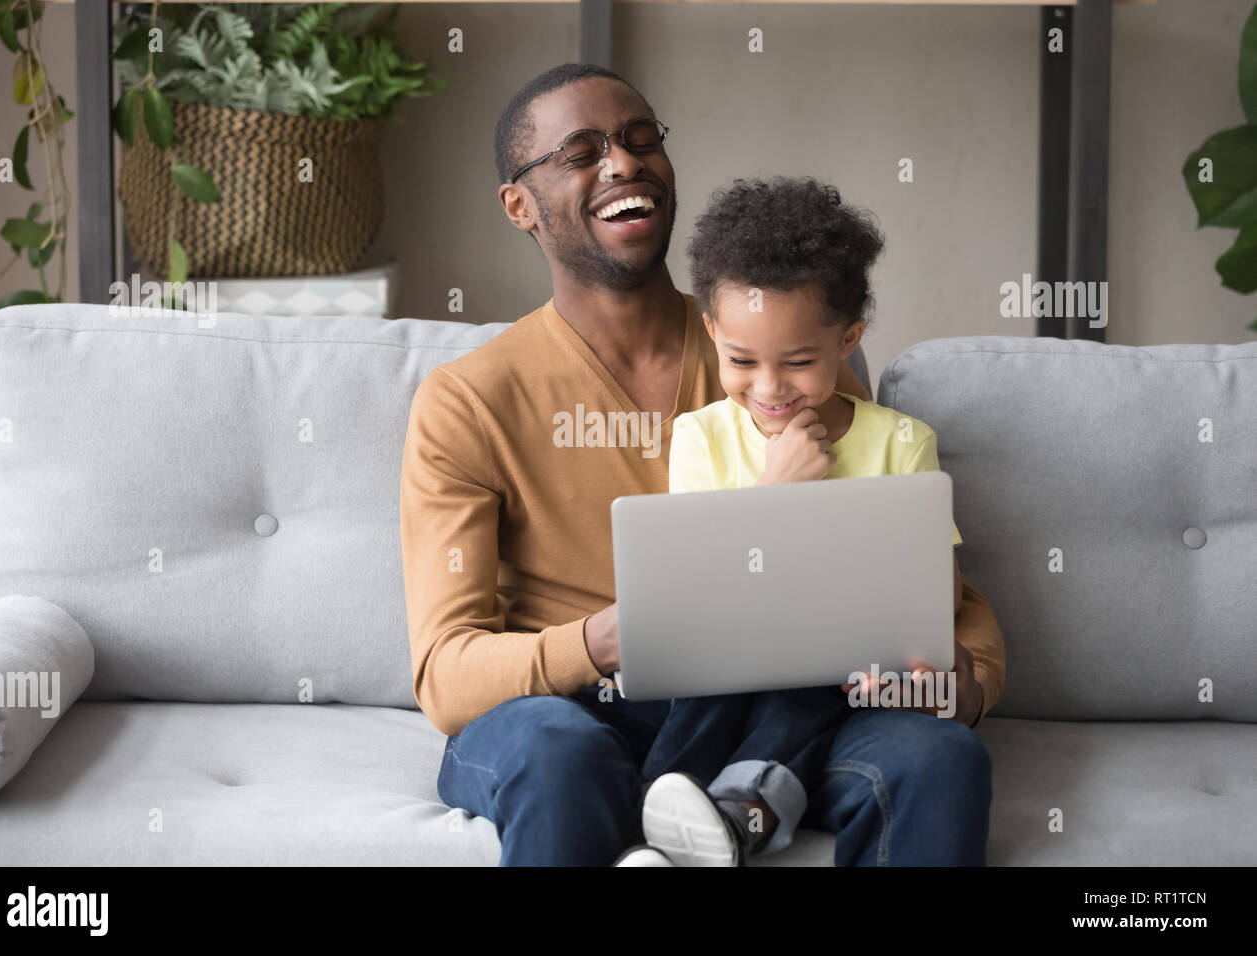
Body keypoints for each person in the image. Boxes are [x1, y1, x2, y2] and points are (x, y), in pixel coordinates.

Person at [399, 62, 1005, 866]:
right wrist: (605, 642)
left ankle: (732, 807)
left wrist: (963, 685)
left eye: (640, 137)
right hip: (577, 711)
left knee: (940, 760)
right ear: (521, 205)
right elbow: (446, 673)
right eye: (581, 152)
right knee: (558, 755)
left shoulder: (781, 353)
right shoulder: (467, 401)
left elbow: (928, 590)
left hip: (776, 709)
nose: (623, 162)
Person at [622, 176, 967, 866]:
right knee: (712, 677)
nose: (770, 389)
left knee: (815, 673)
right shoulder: (701, 438)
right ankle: (666, 811)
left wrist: (907, 652)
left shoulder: (901, 442)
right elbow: (694, 594)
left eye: (801, 362)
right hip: (722, 653)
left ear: (849, 339)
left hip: (839, 668)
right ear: (712, 332)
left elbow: (942, 589)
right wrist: (774, 490)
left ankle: (731, 818)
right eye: (741, 360)